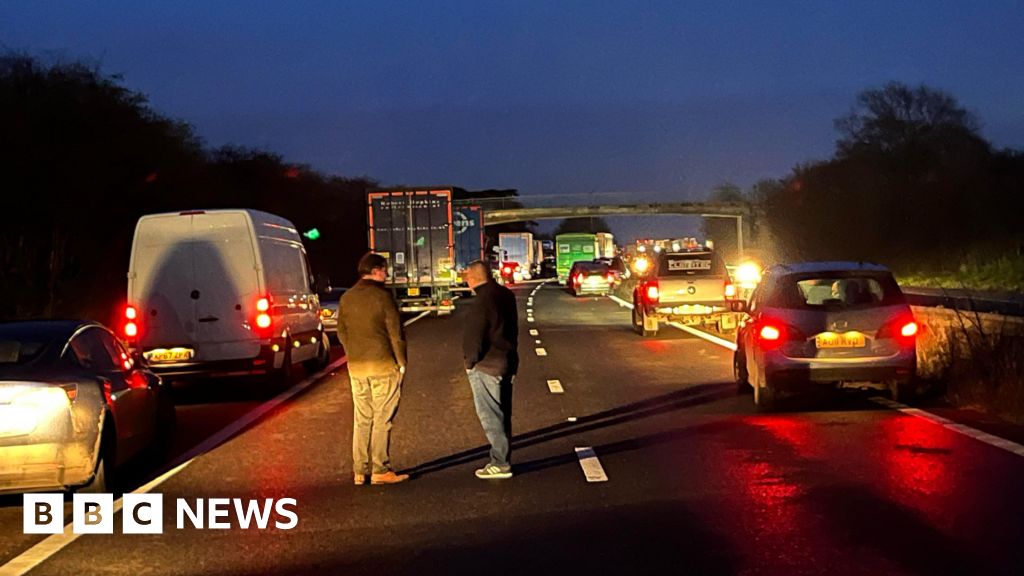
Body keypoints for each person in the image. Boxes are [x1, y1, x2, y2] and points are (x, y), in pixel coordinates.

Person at [337, 252, 409, 485]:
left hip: (356, 368)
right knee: (382, 418)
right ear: (376, 270)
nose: (386, 274)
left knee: (362, 418)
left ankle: (360, 470)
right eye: (385, 269)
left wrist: (353, 354)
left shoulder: (347, 297)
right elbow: (395, 334)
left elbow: (341, 332)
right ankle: (380, 469)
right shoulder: (383, 297)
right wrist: (401, 362)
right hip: (382, 365)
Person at [463, 260, 519, 480]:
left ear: (474, 278)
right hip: (507, 360)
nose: (466, 279)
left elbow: (474, 337)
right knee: (503, 412)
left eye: (467, 275)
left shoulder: (481, 302)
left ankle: (500, 462)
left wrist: (470, 363)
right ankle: (503, 457)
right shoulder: (506, 295)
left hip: (487, 365)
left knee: (490, 416)